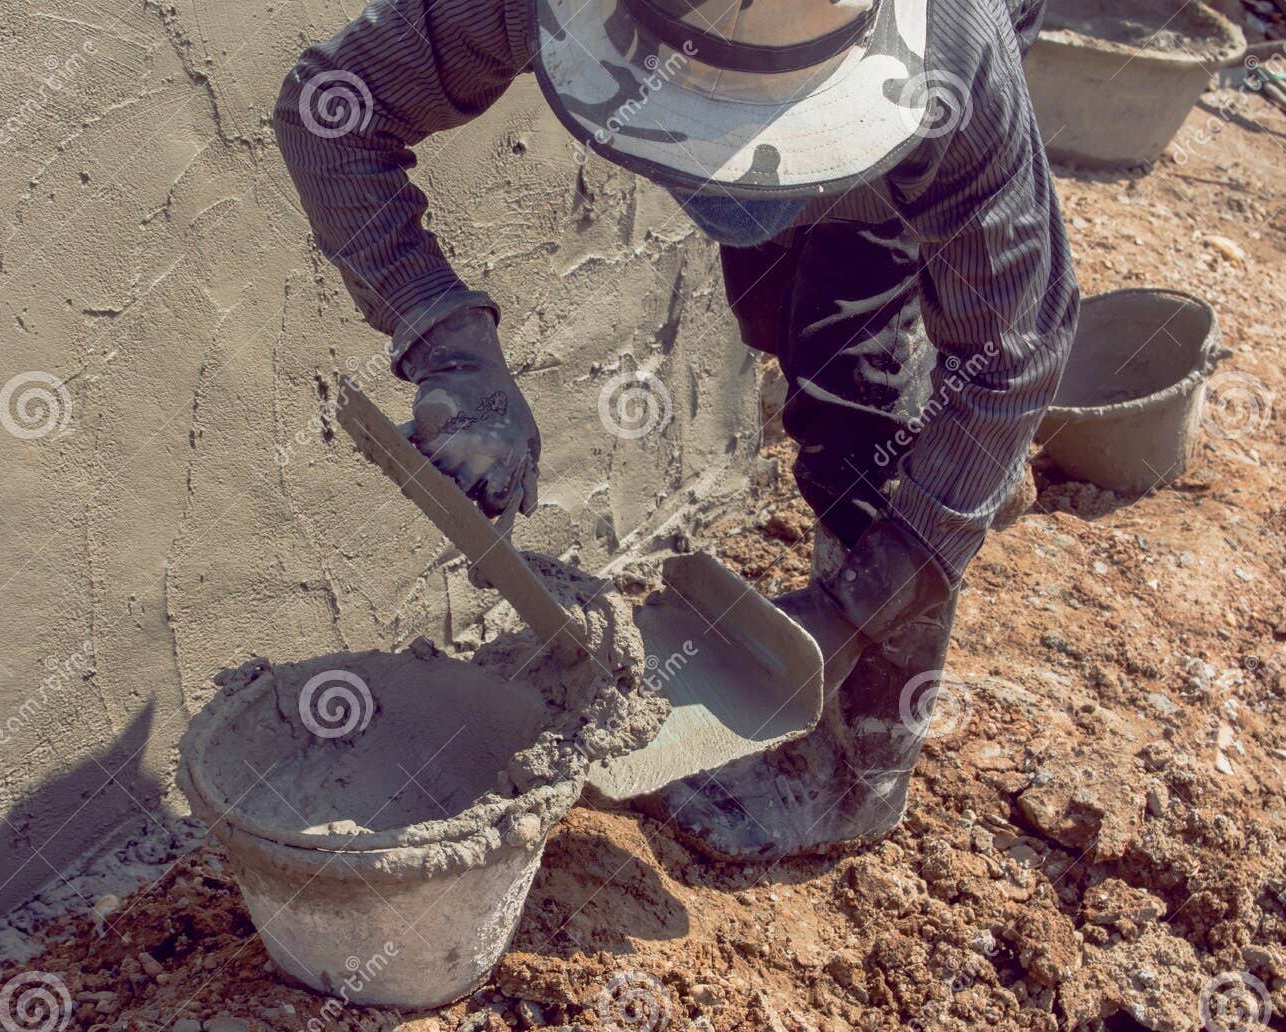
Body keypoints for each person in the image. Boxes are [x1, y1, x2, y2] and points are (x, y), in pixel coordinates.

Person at [275, 0, 1078, 861]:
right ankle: (957, 463)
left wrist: (867, 594)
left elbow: (1012, 349)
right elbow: (333, 105)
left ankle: (860, 769)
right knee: (784, 309)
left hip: (916, 70)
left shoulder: (952, 49)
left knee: (854, 383)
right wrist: (450, 343)